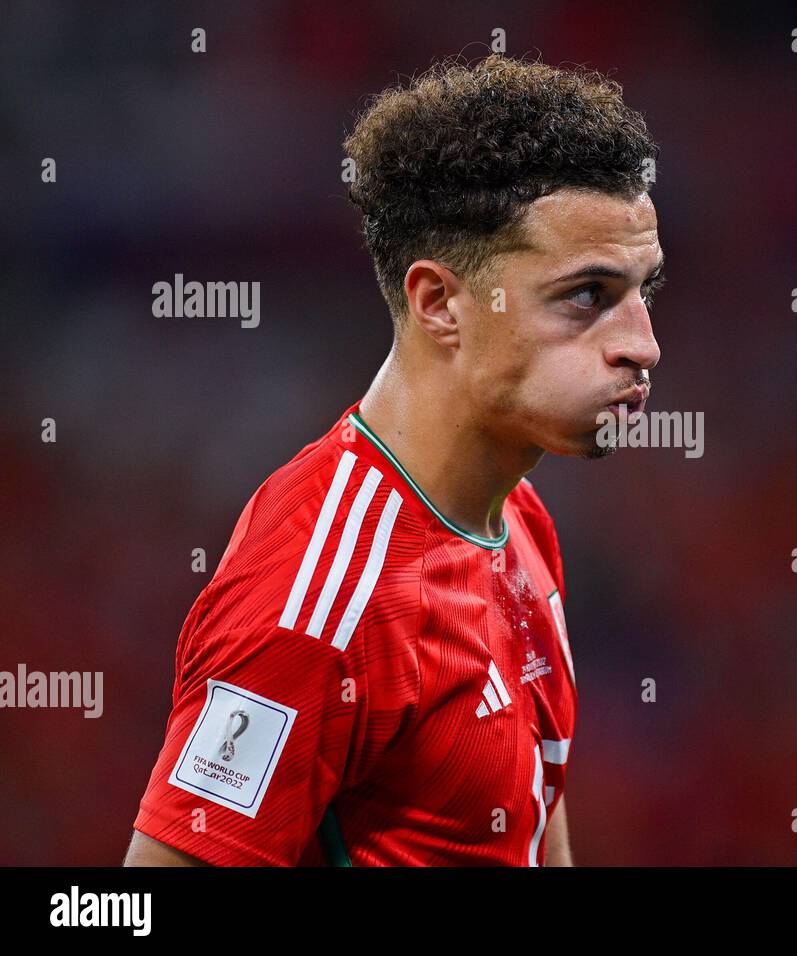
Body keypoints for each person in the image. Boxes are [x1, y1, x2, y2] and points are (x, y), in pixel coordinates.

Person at [123, 52, 664, 866]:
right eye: (586, 295)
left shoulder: (516, 520)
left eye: (643, 293)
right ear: (439, 302)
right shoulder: (318, 598)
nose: (642, 347)